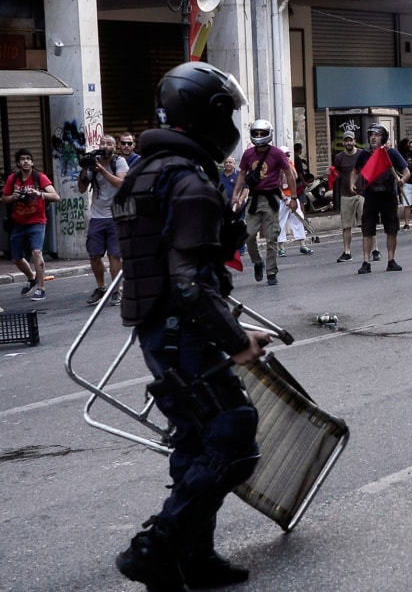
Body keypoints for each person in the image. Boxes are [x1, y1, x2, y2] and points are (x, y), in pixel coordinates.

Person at [111, 60, 270, 591]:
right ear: (211, 114)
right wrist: (236, 340)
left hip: (164, 331)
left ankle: (192, 557)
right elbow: (187, 282)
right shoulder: (187, 180)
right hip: (185, 332)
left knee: (197, 440)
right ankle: (155, 549)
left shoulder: (148, 171)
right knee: (233, 436)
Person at [233, 119, 296, 286]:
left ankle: (271, 271)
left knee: (271, 237)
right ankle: (257, 262)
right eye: (256, 133)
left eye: (262, 133)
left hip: (271, 199)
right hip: (254, 199)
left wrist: (294, 197)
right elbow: (242, 175)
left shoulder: (277, 153)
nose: (259, 136)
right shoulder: (248, 154)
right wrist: (235, 195)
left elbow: (288, 174)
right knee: (249, 235)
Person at [2, 149, 59, 302]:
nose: (26, 161)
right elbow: (4, 198)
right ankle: (31, 278)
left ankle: (41, 288)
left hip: (37, 221)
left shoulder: (39, 177)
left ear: (32, 162)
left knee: (36, 252)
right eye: (22, 159)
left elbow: (56, 196)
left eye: (28, 158)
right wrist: (13, 197)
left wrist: (39, 193)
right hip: (19, 222)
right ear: (18, 163)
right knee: (16, 258)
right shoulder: (13, 178)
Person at [78, 134, 129, 305]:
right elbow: (81, 189)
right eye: (102, 143)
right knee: (94, 255)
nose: (105, 146)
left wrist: (101, 170)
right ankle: (101, 287)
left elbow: (120, 183)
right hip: (97, 216)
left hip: (115, 215)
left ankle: (116, 290)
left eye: (109, 144)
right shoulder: (94, 162)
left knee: (114, 255)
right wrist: (84, 169)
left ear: (114, 147)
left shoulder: (119, 162)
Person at [355, 123, 407, 274]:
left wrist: (402, 180)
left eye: (376, 135)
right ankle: (366, 261)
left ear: (383, 138)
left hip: (388, 195)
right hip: (370, 195)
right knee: (367, 229)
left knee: (391, 229)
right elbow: (355, 171)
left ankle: (391, 260)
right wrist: (352, 183)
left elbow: (406, 171)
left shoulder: (391, 153)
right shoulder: (364, 155)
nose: (373, 138)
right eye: (371, 135)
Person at [333, 132, 362, 263]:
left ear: (354, 141)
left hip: (361, 193)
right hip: (345, 195)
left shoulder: (361, 154)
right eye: (346, 141)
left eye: (351, 140)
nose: (349, 143)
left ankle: (374, 250)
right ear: (343, 143)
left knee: (366, 224)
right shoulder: (339, 157)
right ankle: (347, 252)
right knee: (346, 226)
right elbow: (337, 171)